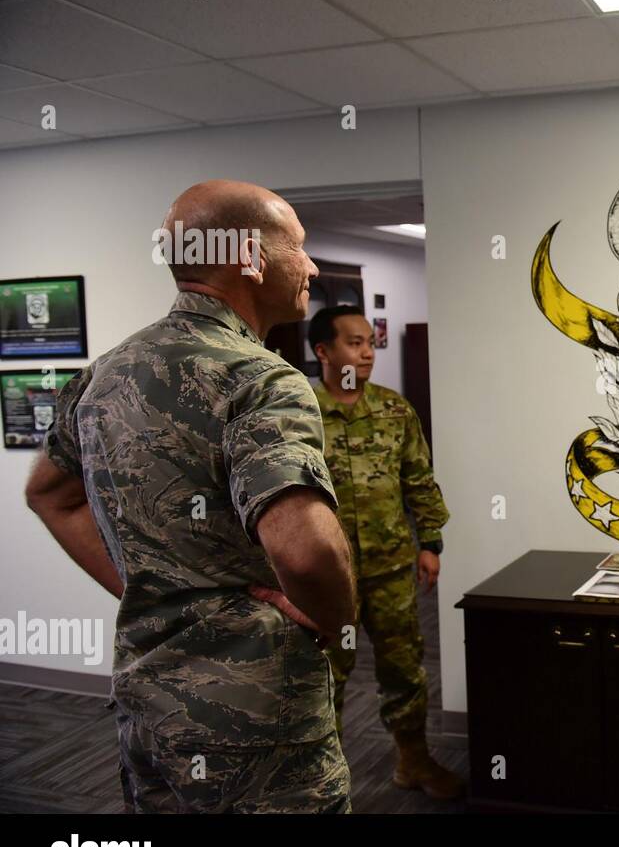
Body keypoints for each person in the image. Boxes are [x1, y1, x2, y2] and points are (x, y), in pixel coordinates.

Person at [25, 180, 357, 813]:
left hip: (148, 702)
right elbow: (307, 553)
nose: (311, 266)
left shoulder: (102, 374)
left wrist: (152, 587)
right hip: (256, 713)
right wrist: (338, 626)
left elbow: (49, 496)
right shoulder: (259, 379)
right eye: (300, 247)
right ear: (253, 260)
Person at [307, 305, 462, 800]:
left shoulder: (395, 410)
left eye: (369, 342)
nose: (367, 352)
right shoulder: (299, 416)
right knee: (324, 677)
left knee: (404, 668)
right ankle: (319, 780)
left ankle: (412, 761)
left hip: (392, 566)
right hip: (326, 577)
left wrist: (431, 542)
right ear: (323, 351)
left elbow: (418, 479)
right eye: (354, 343)